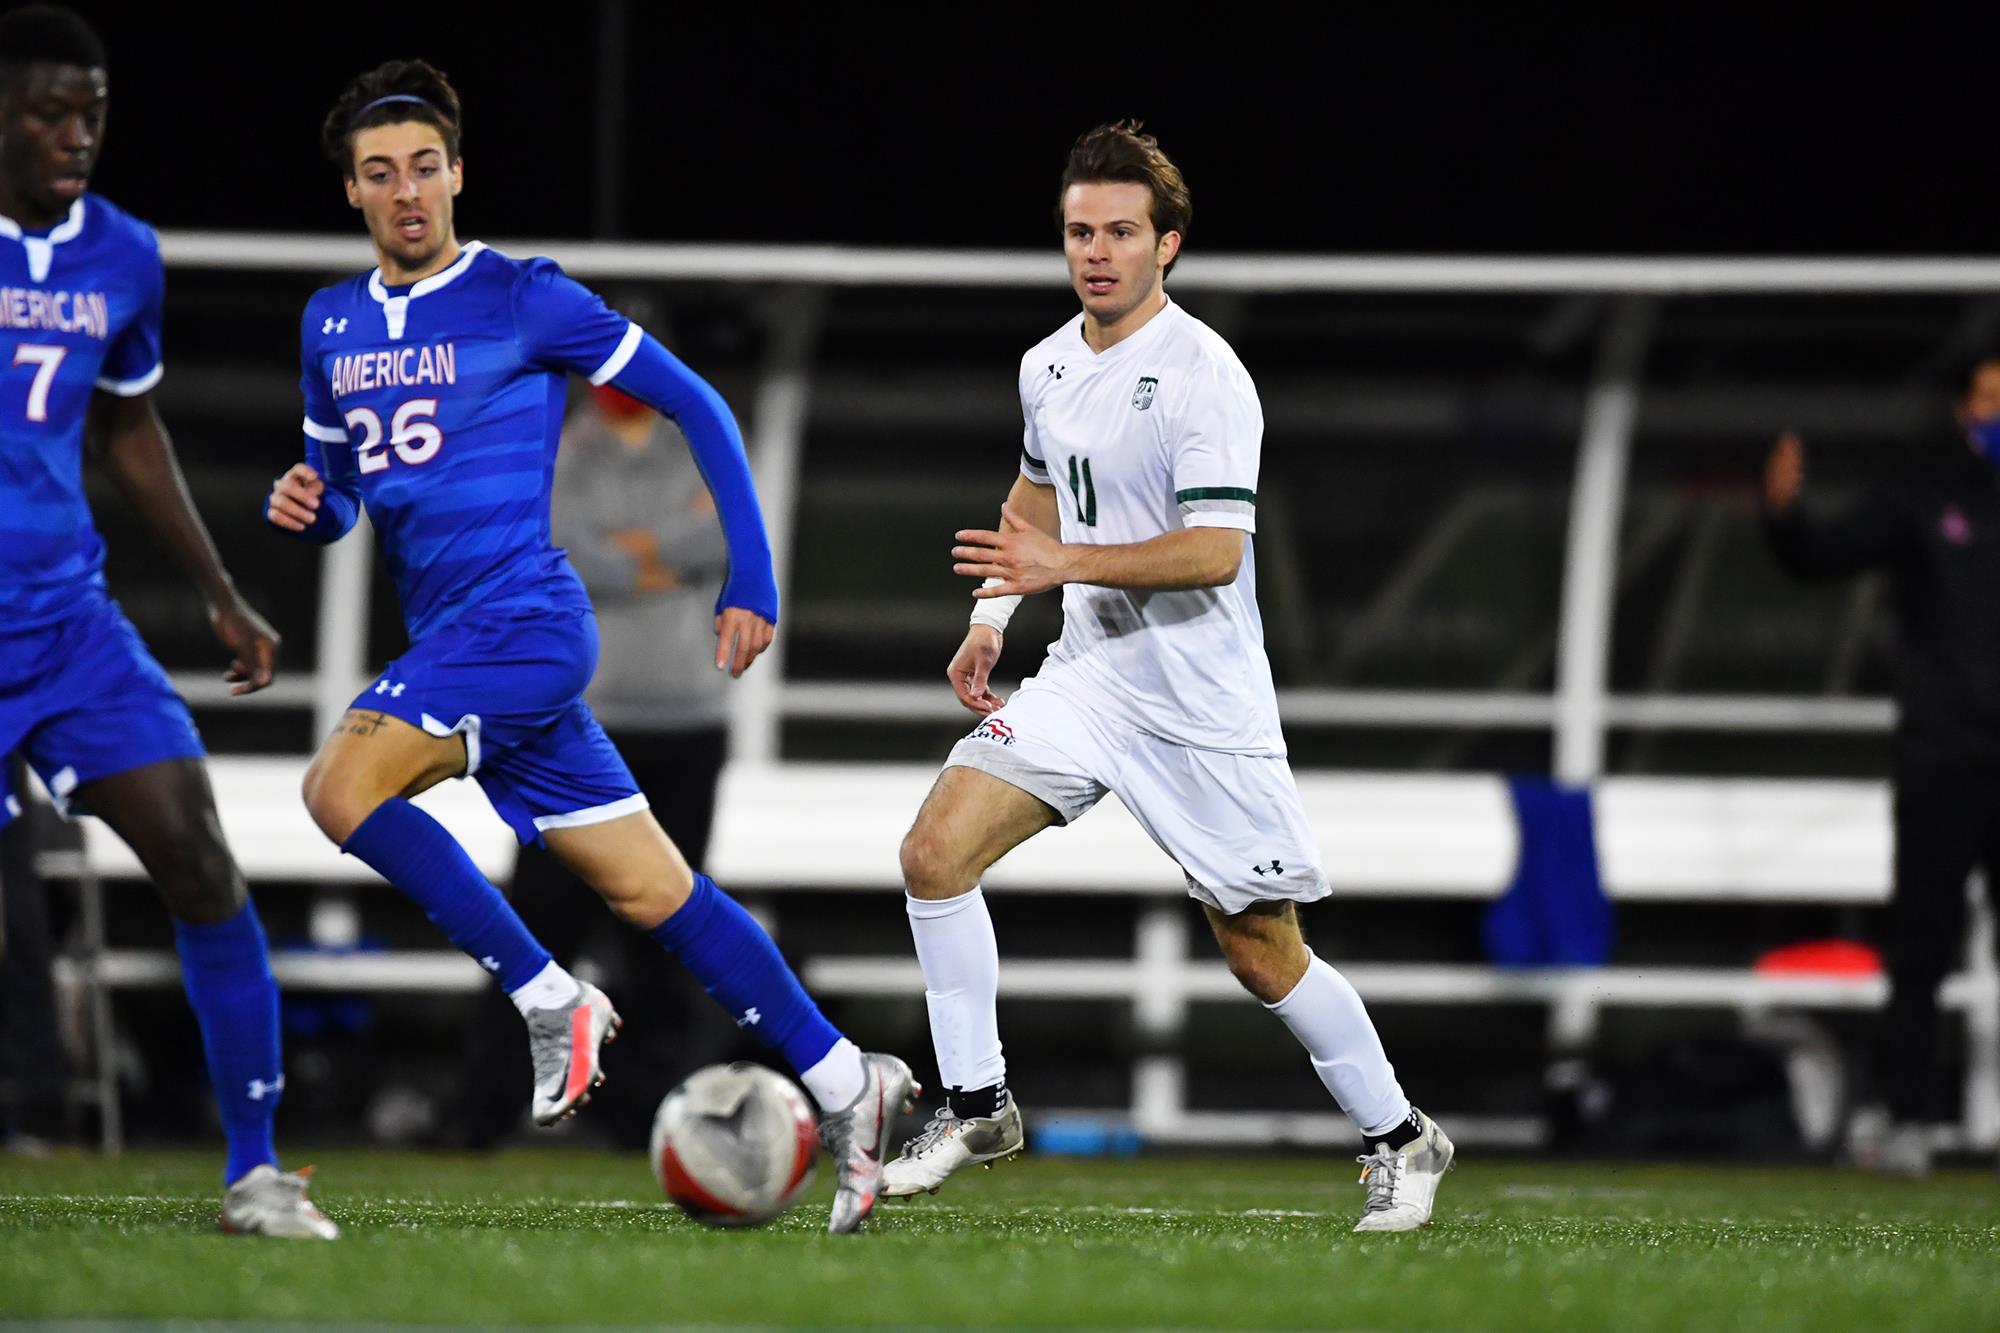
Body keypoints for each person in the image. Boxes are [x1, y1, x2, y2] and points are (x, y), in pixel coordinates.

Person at [265, 59, 912, 1234]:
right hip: (461, 640)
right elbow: (355, 488)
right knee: (660, 892)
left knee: (337, 786)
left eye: (424, 166)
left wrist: (750, 574)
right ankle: (844, 1079)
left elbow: (700, 405)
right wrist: (321, 503)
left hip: (522, 627)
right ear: (352, 193)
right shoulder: (330, 324)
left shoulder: (524, 297)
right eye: (379, 173)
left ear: (457, 174)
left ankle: (548, 993)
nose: (406, 190)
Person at [885, 122, 1452, 1233]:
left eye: (1120, 232)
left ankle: (1398, 1135)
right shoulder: (1045, 363)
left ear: (1168, 245)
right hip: (1087, 676)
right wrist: (994, 613)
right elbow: (1032, 494)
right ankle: (974, 1102)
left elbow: (1214, 551)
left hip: (1196, 701)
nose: (1095, 251)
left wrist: (1060, 564)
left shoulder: (1205, 377)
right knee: (932, 851)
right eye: (1078, 232)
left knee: (1257, 947)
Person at [0, 4, 334, 1238]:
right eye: (46, 110)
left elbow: (128, 428)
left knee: (197, 855)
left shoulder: (122, 254)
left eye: (90, 111)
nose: (74, 134)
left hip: (67, 627)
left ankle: (256, 1172)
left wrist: (219, 588)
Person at [446, 377, 736, 1150]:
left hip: (687, 722)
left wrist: (631, 552)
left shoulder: (699, 441)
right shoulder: (556, 449)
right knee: (538, 918)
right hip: (577, 720)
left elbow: (727, 539)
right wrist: (665, 553)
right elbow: (564, 549)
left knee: (669, 926)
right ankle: (485, 1107)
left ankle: (645, 1115)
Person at [1762, 354, 2000, 1175]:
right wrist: (1785, 513)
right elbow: (1819, 556)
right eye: (1989, 397)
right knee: (1921, 946)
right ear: (1964, 409)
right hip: (1944, 757)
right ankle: (1908, 1123)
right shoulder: (1926, 493)